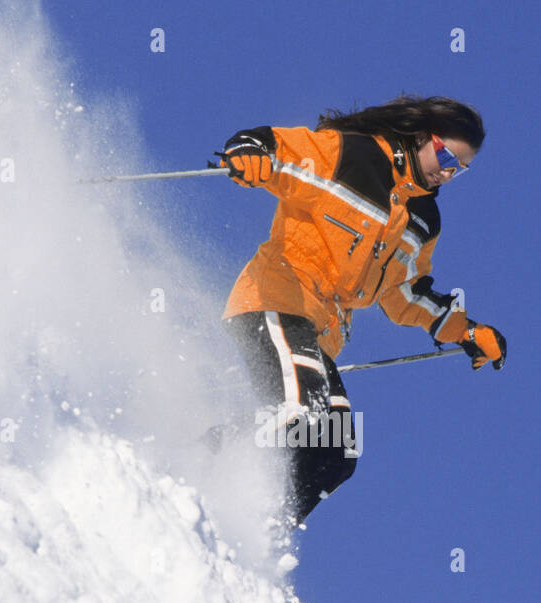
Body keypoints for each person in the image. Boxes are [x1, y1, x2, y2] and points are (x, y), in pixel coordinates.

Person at [214, 94, 506, 527]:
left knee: (337, 452)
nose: (447, 170)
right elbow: (282, 149)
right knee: (302, 414)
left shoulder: (423, 220)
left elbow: (404, 292)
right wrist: (252, 152)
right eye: (445, 155)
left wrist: (462, 329)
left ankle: (259, 532)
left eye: (459, 168)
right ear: (423, 137)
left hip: (319, 336)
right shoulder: (354, 155)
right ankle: (193, 460)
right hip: (275, 300)